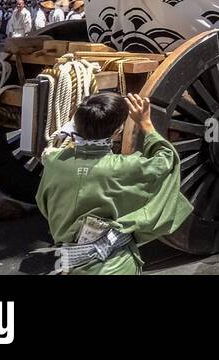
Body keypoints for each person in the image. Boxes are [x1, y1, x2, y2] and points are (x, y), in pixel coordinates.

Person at [35, 92, 193, 274]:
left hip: (69, 264)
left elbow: (43, 202)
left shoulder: (54, 162)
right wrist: (146, 124)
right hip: (114, 265)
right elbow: (166, 160)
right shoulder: (125, 167)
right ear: (118, 130)